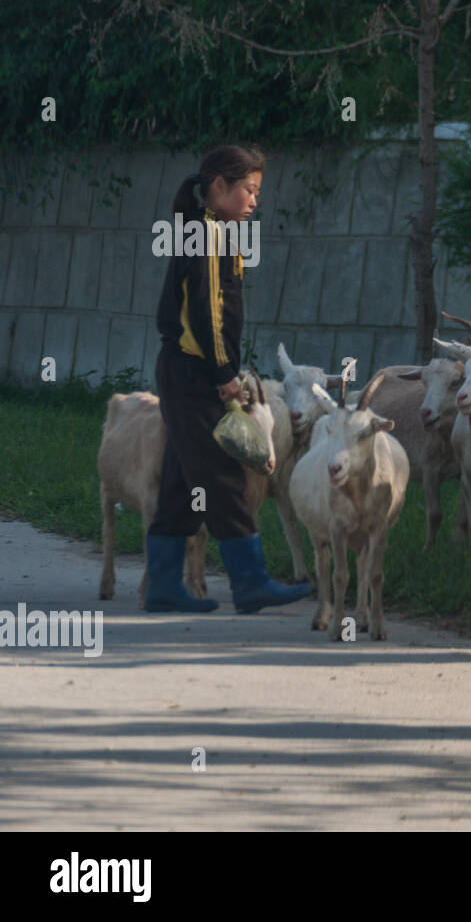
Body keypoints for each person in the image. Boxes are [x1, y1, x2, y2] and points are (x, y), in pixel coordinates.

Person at [146, 144, 311, 614]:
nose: (255, 201)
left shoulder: (207, 229)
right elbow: (209, 314)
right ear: (219, 186)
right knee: (221, 478)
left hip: (185, 371)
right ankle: (251, 582)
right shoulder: (207, 233)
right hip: (194, 373)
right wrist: (225, 376)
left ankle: (162, 586)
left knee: (182, 480)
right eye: (249, 190)